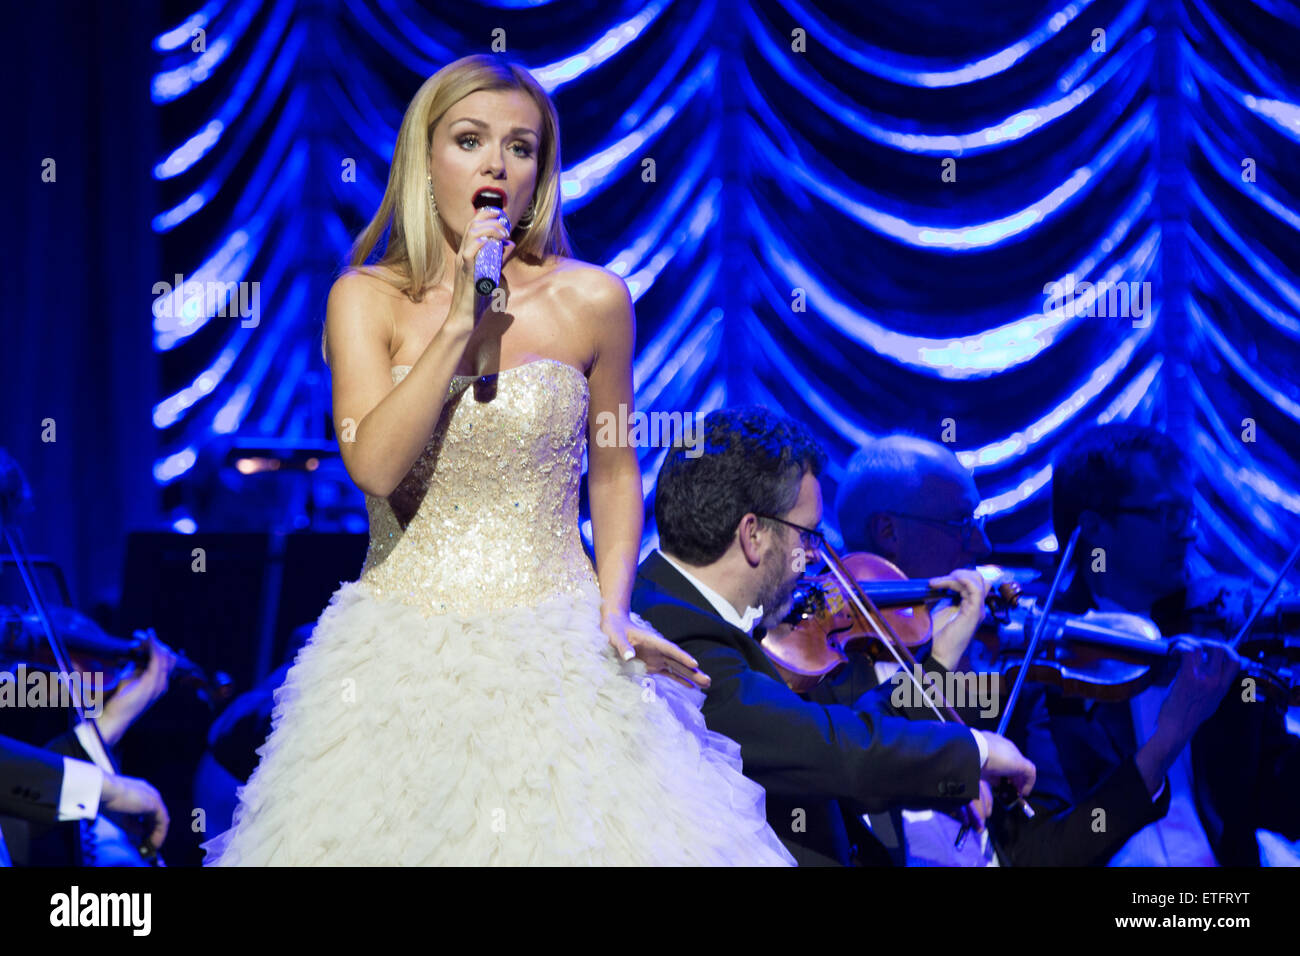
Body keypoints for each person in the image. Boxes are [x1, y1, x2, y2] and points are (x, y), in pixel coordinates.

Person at [202, 55, 793, 865]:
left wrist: (614, 609)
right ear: (426, 156)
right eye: (470, 140)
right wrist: (456, 323)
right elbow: (373, 468)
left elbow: (615, 470)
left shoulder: (594, 299)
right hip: (403, 653)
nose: (495, 164)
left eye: (521, 147)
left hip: (557, 643)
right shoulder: (363, 298)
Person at [630, 408, 1037, 866]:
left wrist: (935, 664)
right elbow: (830, 749)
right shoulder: (674, 633)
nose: (816, 557)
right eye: (808, 535)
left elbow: (842, 734)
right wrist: (977, 751)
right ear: (754, 535)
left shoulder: (702, 616)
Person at [834, 434, 1238, 866]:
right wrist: (948, 697)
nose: (981, 547)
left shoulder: (1001, 678)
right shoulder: (818, 673)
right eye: (961, 524)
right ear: (888, 531)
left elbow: (1043, 854)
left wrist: (1162, 747)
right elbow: (852, 753)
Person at [994, 423, 1299, 866]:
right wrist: (1168, 740)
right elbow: (1042, 855)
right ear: (1095, 528)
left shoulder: (1221, 637)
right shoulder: (1041, 658)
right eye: (1167, 514)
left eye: (1188, 515)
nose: (1189, 534)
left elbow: (1276, 797)